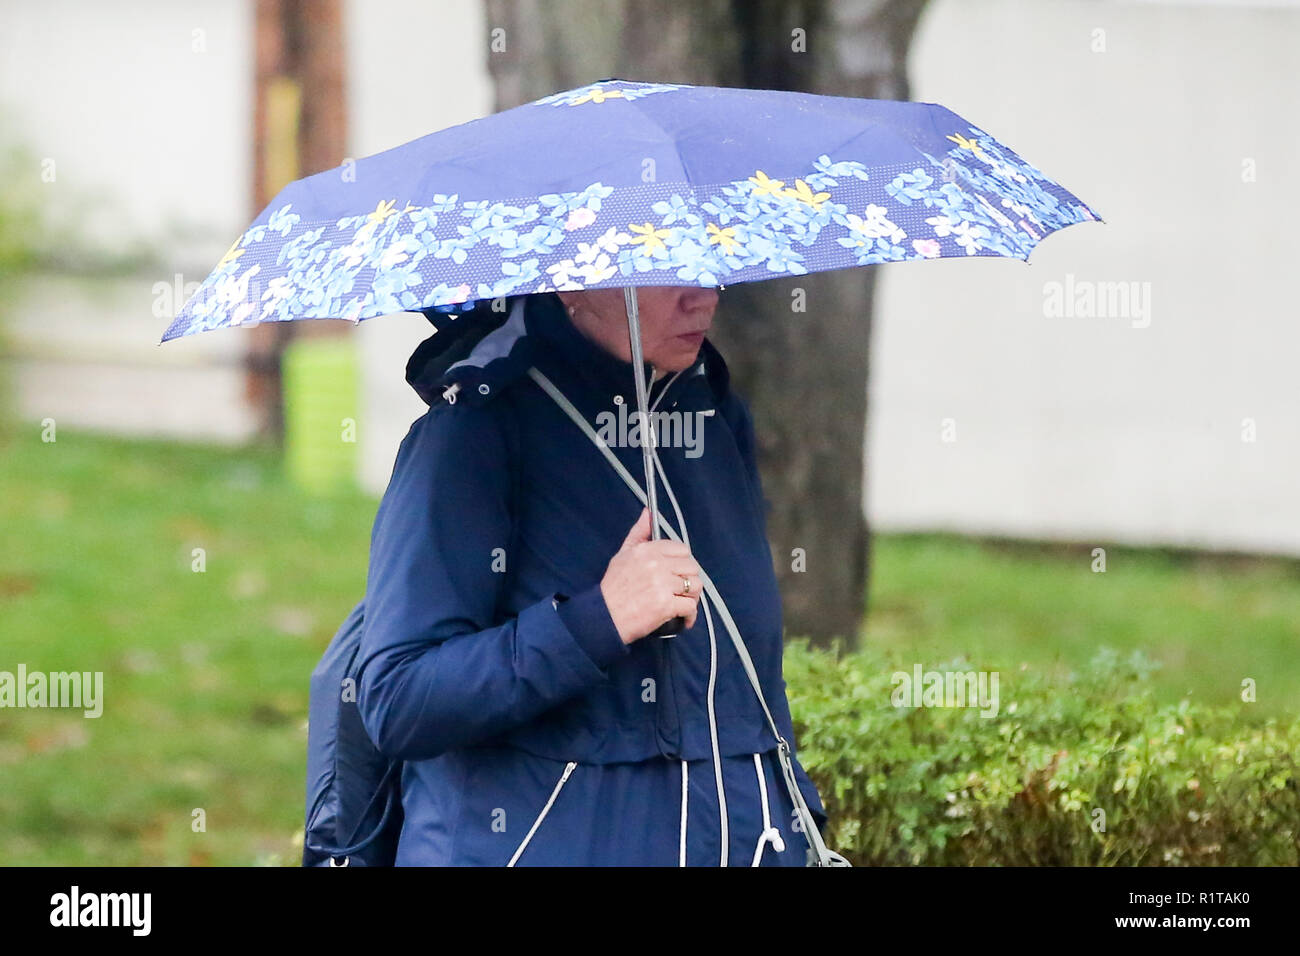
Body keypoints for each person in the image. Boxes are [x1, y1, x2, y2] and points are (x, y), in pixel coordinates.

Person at [356, 286, 829, 865]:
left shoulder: (712, 410)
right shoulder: (475, 428)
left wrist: (793, 814)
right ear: (577, 282)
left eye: (708, 267)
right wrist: (596, 621)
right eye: (667, 270)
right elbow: (398, 698)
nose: (702, 299)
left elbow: (747, 680)